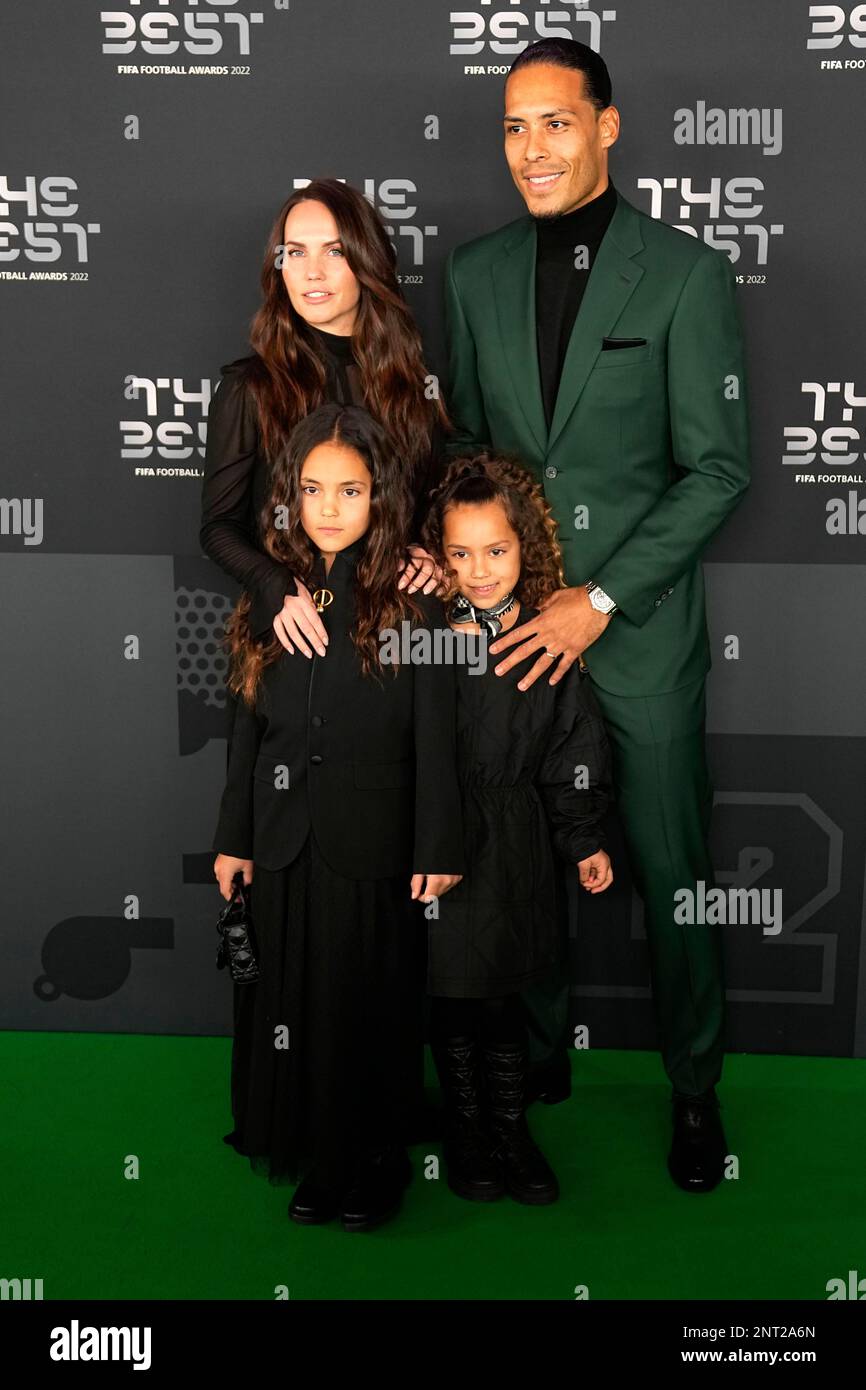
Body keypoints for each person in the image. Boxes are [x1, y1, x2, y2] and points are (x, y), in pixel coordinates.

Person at [443, 38, 751, 1192]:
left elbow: (717, 469)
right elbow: (471, 455)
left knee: (672, 866)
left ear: (606, 127)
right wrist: (478, 581)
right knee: (514, 856)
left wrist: (601, 599)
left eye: (554, 123)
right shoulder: (471, 275)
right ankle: (529, 1063)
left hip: (640, 633)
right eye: (513, 127)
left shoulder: (682, 273)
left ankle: (692, 1090)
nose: (531, 149)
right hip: (513, 639)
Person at [211, 403, 464, 1232]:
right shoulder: (270, 600)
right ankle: (320, 1153)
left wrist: (437, 843)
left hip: (376, 846)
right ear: (288, 497)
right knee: (292, 1006)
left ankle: (378, 1157)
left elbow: (435, 737)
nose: (328, 508)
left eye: (349, 491)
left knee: (368, 1002)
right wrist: (234, 840)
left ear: (380, 498)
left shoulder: (414, 605)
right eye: (312, 490)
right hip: (283, 844)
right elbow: (245, 730)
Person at [421, 453, 613, 1206]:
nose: (479, 570)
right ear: (438, 557)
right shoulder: (422, 640)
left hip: (518, 846)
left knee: (504, 1000)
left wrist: (584, 836)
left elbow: (574, 750)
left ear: (524, 548)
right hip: (441, 847)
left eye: (496, 550)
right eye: (460, 554)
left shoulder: (546, 642)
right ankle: (466, 1131)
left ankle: (510, 1125)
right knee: (452, 998)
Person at [200, 176, 447, 664]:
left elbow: (426, 502)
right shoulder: (250, 389)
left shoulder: (413, 386)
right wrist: (276, 586)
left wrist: (425, 551)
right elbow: (218, 527)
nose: (312, 272)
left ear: (366, 260)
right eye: (295, 252)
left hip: (395, 641)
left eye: (333, 252)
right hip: (293, 637)